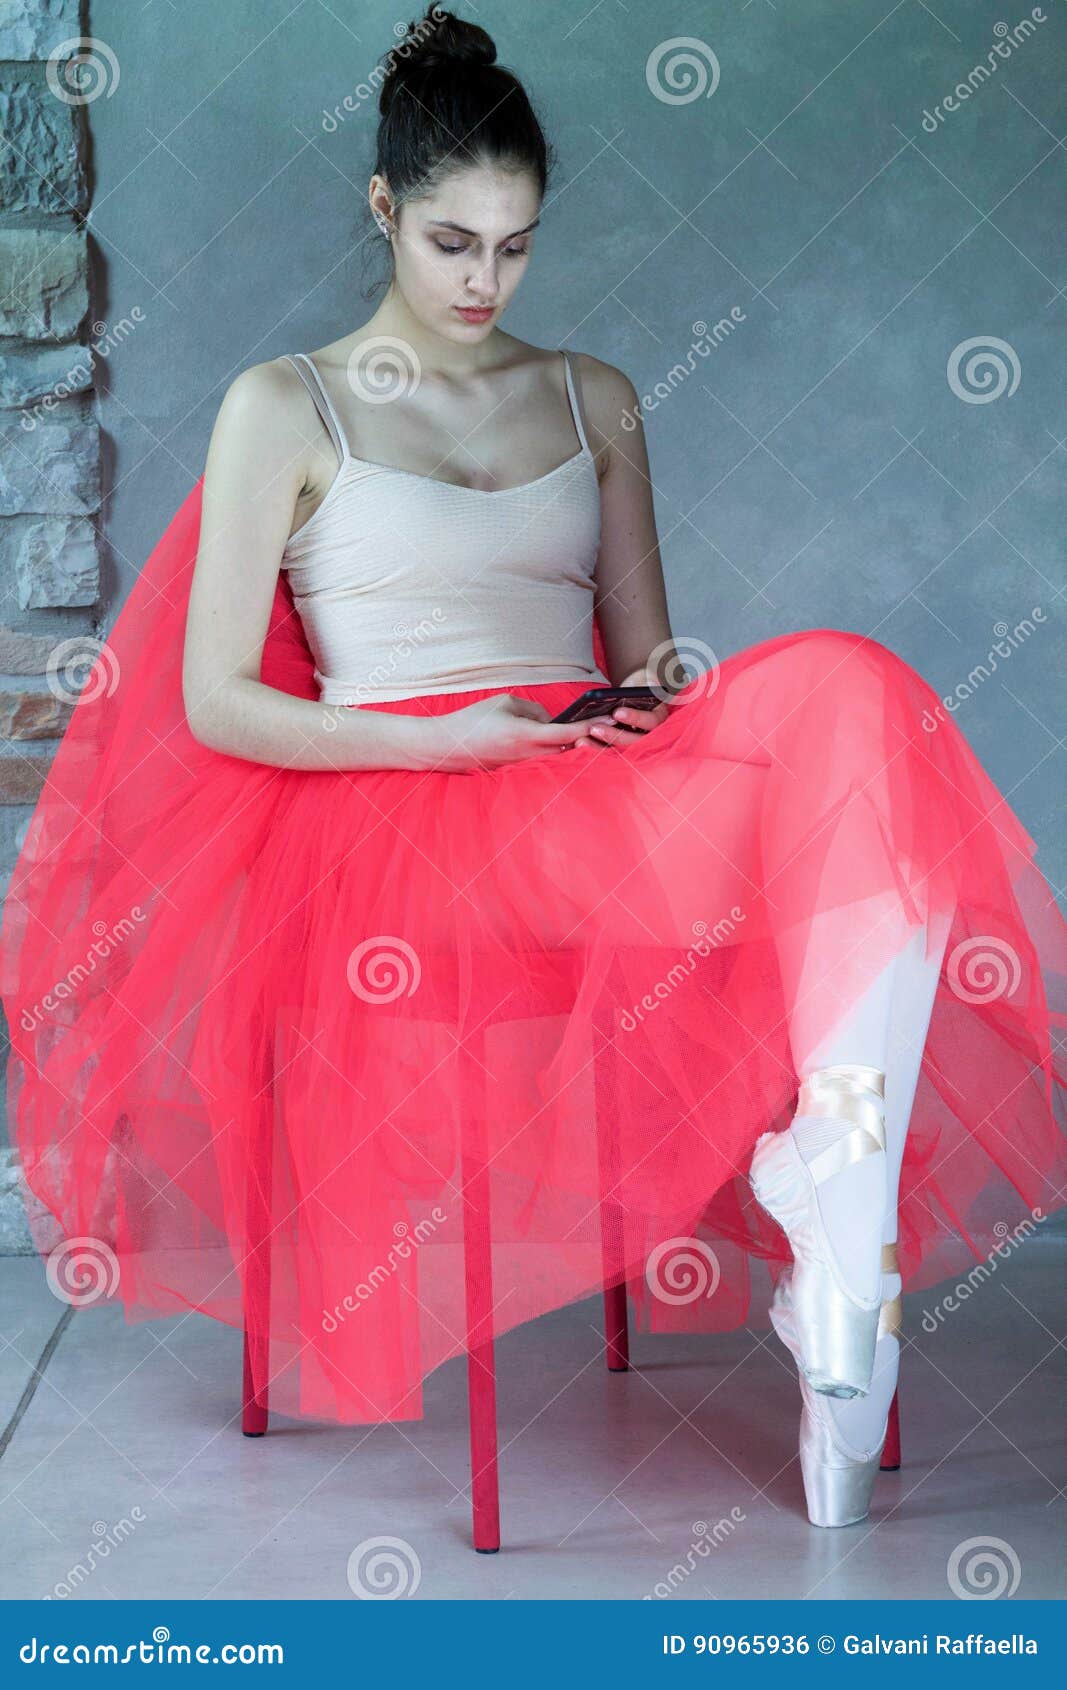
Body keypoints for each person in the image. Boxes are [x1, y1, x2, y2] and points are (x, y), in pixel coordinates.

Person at [2, 6, 1064, 1535]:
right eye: (451, 243)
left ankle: (835, 1162)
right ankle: (840, 1223)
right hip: (409, 794)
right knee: (844, 806)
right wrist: (439, 738)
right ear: (382, 209)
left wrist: (655, 705)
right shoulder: (283, 404)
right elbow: (219, 702)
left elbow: (645, 658)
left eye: (514, 245)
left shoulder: (593, 394)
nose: (484, 281)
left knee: (857, 694)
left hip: (581, 770)